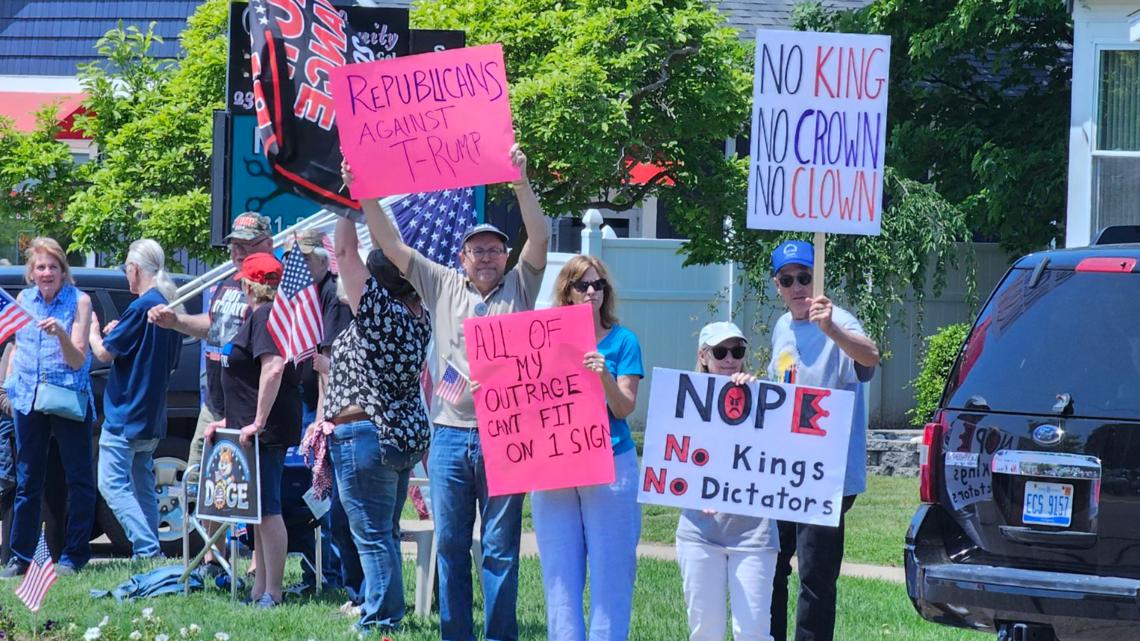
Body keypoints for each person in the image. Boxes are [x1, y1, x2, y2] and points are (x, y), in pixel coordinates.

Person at [348, 143, 547, 641]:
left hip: (507, 437)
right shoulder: (440, 284)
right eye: (477, 250)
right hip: (451, 436)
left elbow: (540, 235)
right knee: (452, 545)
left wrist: (520, 180)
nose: (486, 256)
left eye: (494, 249)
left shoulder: (522, 286)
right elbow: (391, 246)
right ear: (461, 258)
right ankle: (456, 634)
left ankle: (500, 635)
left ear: (506, 256)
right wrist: (366, 191)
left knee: (500, 547)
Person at [303, 214, 432, 631]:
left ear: (378, 283)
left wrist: (345, 206)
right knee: (385, 532)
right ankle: (387, 608)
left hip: (365, 433)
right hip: (399, 433)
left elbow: (343, 252)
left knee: (372, 534)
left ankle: (381, 618)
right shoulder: (418, 313)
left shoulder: (380, 312)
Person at [766, 240, 879, 641]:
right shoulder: (782, 327)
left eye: (805, 277)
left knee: (815, 575)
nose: (797, 286)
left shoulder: (840, 321)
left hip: (826, 475)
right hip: (782, 470)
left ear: (818, 278)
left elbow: (870, 358)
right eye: (788, 279)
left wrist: (831, 328)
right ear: (777, 285)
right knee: (770, 565)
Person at [149, 211, 273, 568]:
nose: (238, 252)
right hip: (214, 403)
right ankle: (211, 559)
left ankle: (257, 563)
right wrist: (177, 322)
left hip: (246, 404)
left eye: (247, 245)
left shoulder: (268, 283)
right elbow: (212, 325)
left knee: (249, 488)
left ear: (267, 244)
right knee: (203, 483)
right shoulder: (227, 282)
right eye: (234, 245)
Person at [531, 255, 643, 641]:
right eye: (583, 285)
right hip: (555, 470)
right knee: (560, 579)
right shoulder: (541, 340)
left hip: (610, 466)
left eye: (599, 286)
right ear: (566, 290)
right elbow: (521, 396)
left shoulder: (623, 340)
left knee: (612, 575)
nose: (592, 292)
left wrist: (605, 376)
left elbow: (624, 407)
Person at [204, 252, 301, 608]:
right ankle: (259, 588)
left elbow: (273, 368)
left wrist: (258, 421)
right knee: (257, 511)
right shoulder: (260, 314)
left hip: (264, 431)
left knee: (269, 509)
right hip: (246, 428)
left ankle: (273, 591)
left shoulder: (264, 314)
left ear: (248, 283)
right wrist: (228, 422)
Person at [677, 321, 778, 641]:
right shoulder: (684, 404)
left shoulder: (763, 399)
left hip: (754, 536)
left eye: (738, 351)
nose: (730, 358)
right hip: (699, 533)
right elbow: (674, 460)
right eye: (721, 351)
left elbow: (779, 456)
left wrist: (756, 400)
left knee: (753, 631)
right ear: (703, 355)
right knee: (704, 630)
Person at [1, 237, 95, 577]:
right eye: (40, 267)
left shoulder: (80, 301)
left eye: (53, 266)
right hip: (27, 398)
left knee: (78, 478)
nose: (46, 273)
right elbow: (13, 347)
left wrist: (61, 334)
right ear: (31, 272)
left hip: (68, 395)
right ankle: (20, 557)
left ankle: (74, 555)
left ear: (63, 270)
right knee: (27, 480)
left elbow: (78, 359)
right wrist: (5, 388)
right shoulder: (22, 301)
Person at [88, 239, 183, 560]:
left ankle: (145, 548)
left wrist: (92, 329)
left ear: (135, 269)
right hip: (152, 416)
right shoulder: (166, 308)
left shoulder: (142, 307)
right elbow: (163, 361)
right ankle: (152, 548)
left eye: (127, 270)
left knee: (111, 485)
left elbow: (103, 352)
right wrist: (116, 330)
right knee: (143, 485)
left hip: (125, 414)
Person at [290, 229, 361, 597]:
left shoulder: (334, 295)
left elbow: (329, 361)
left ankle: (329, 571)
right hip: (305, 403)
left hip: (327, 410)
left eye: (304, 260)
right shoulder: (306, 295)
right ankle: (318, 569)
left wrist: (320, 419)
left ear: (321, 259)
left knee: (327, 497)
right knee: (313, 494)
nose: (298, 268)